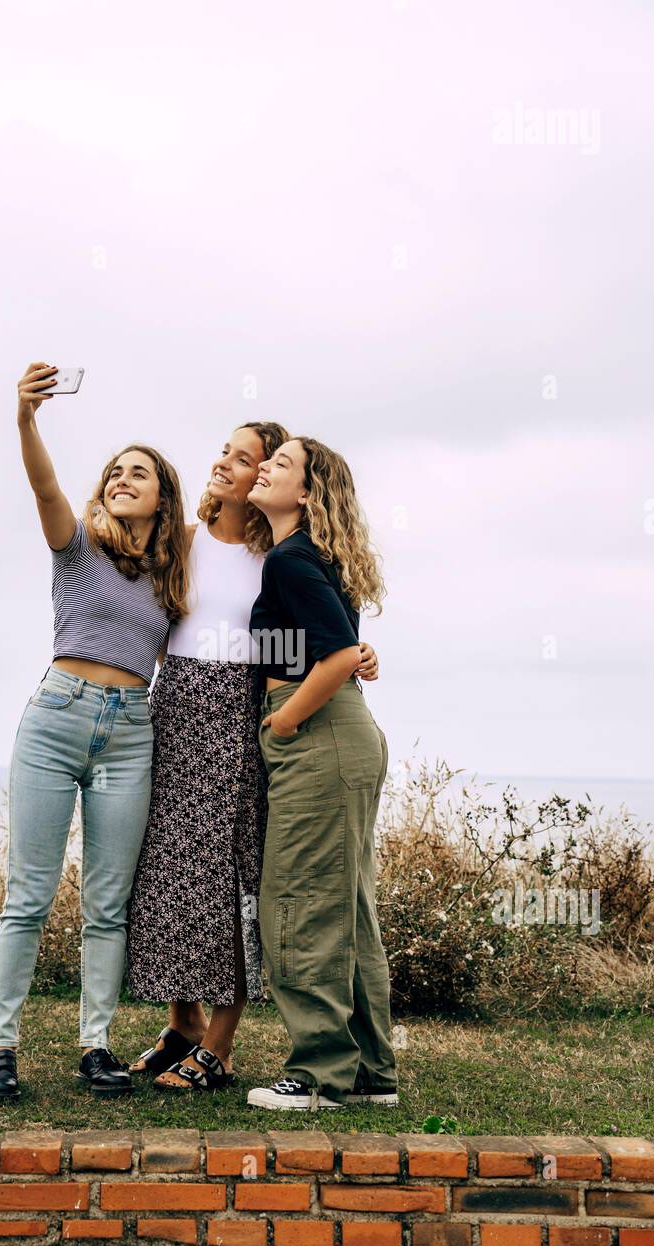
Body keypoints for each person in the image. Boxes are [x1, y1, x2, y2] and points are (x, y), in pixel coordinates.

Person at [126, 423, 380, 1093]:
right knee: (167, 872)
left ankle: (221, 1041)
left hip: (245, 712)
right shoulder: (180, 541)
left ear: (269, 477)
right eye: (227, 452)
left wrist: (356, 659)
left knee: (234, 873)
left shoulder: (282, 555)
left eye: (247, 459)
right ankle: (181, 1022)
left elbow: (323, 633)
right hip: (175, 705)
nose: (227, 464)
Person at [0, 361, 188, 1104]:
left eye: (140, 473)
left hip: (131, 733)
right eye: (115, 471)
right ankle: (1, 1048)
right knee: (27, 896)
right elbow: (43, 487)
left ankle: (95, 1047)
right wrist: (26, 418)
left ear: (163, 498)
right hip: (56, 720)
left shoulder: (169, 578)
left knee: (107, 903)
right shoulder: (76, 549)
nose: (122, 478)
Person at [245, 435, 399, 1110]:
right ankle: (369, 1073)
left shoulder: (292, 558)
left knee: (299, 902)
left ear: (307, 493)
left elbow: (335, 658)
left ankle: (319, 1076)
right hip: (342, 733)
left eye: (281, 464)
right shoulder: (305, 557)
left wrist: (282, 720)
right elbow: (339, 647)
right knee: (346, 907)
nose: (264, 468)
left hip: (317, 730)